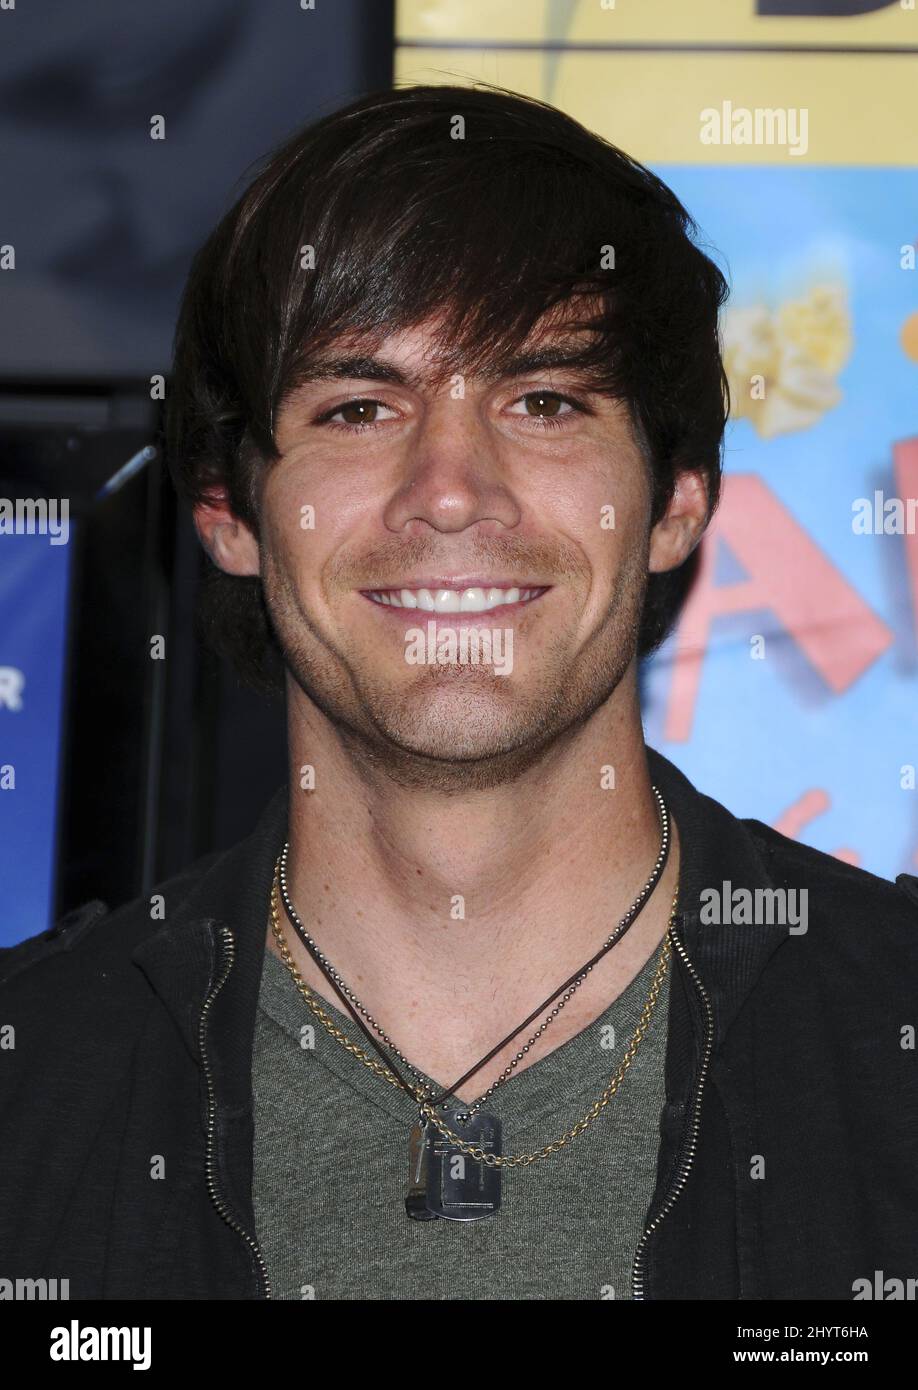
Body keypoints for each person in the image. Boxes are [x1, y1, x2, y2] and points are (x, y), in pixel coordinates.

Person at [2, 82, 917, 1302]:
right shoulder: (33, 1085)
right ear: (229, 512)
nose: (448, 488)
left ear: (678, 499)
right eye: (360, 406)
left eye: (543, 401)